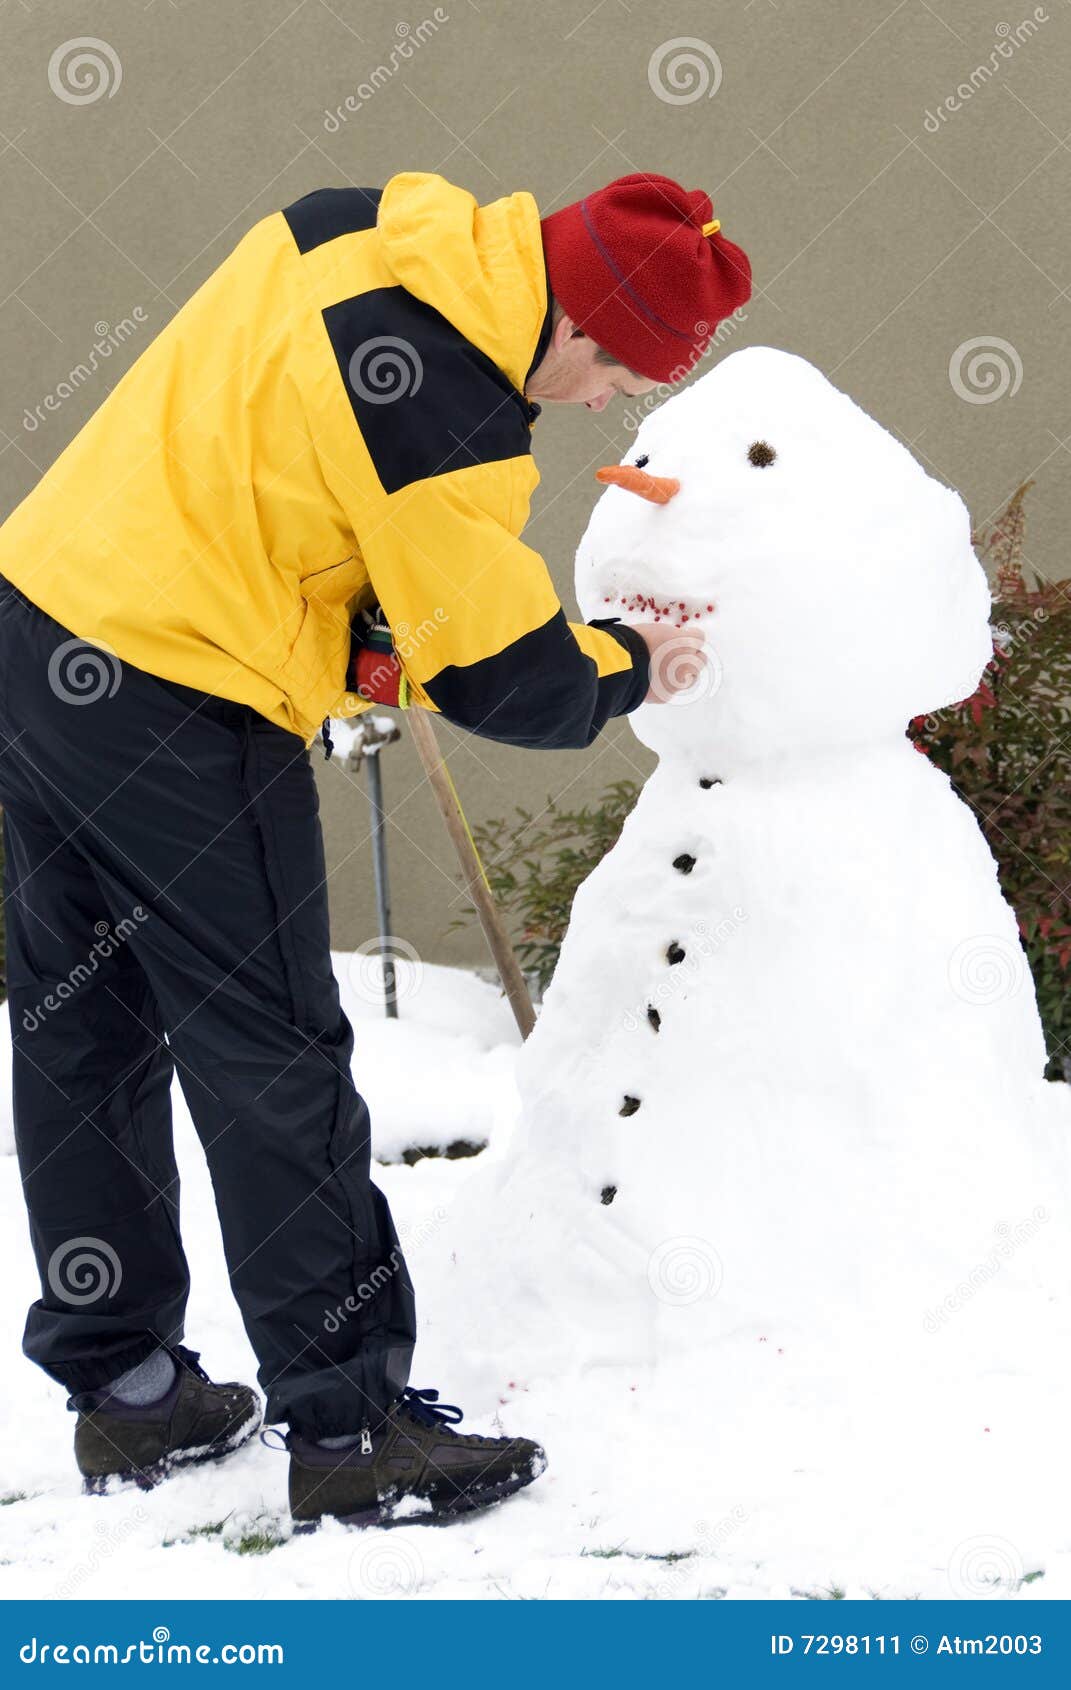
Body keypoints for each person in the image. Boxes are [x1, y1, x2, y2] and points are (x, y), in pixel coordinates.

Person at [0, 169, 750, 1528]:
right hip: (181, 697)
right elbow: (507, 678)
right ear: (578, 330)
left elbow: (276, 455)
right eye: (614, 380)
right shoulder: (451, 417)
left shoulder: (349, 224)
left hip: (42, 615)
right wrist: (637, 661)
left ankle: (127, 1387)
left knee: (82, 1030)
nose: (600, 409)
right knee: (273, 1051)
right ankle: (351, 1425)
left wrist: (353, 618)